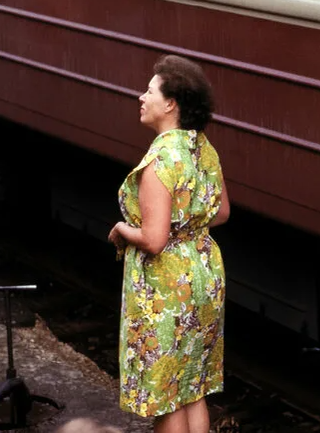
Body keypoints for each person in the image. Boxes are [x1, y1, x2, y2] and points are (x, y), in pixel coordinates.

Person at [108, 55, 229, 433]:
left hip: (167, 288)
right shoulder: (202, 148)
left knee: (168, 394)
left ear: (171, 103)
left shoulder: (160, 159)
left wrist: (121, 230)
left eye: (149, 91)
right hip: (204, 274)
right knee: (193, 387)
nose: (141, 97)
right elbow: (222, 212)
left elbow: (154, 240)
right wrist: (188, 228)